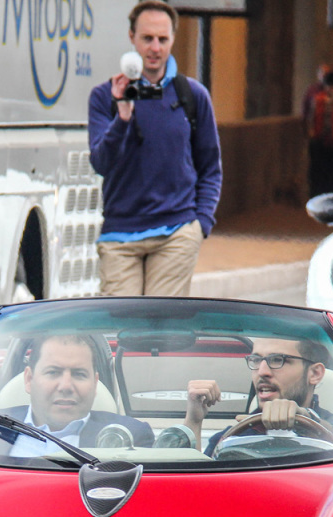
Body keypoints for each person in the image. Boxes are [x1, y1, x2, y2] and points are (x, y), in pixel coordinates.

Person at [88, 1, 223, 297]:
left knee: (161, 330)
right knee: (122, 329)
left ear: (173, 39)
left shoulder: (193, 95)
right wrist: (122, 117)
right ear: (131, 37)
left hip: (176, 232)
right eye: (147, 38)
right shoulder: (104, 97)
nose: (155, 48)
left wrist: (200, 224)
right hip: (120, 234)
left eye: (163, 39)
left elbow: (210, 167)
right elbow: (100, 162)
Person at [182, 336, 333, 455]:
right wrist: (193, 421)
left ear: (315, 374)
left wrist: (305, 419)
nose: (262, 371)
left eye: (277, 360)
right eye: (256, 360)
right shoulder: (229, 439)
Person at [1, 334, 154, 455]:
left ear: (95, 384)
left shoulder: (132, 437)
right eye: (53, 372)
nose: (66, 386)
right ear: (29, 379)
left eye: (79, 374)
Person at [306, 71, 333, 197]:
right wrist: (311, 132)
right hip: (320, 139)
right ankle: (317, 194)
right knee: (318, 170)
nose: (331, 89)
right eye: (330, 86)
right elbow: (312, 116)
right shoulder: (318, 99)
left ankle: (331, 194)